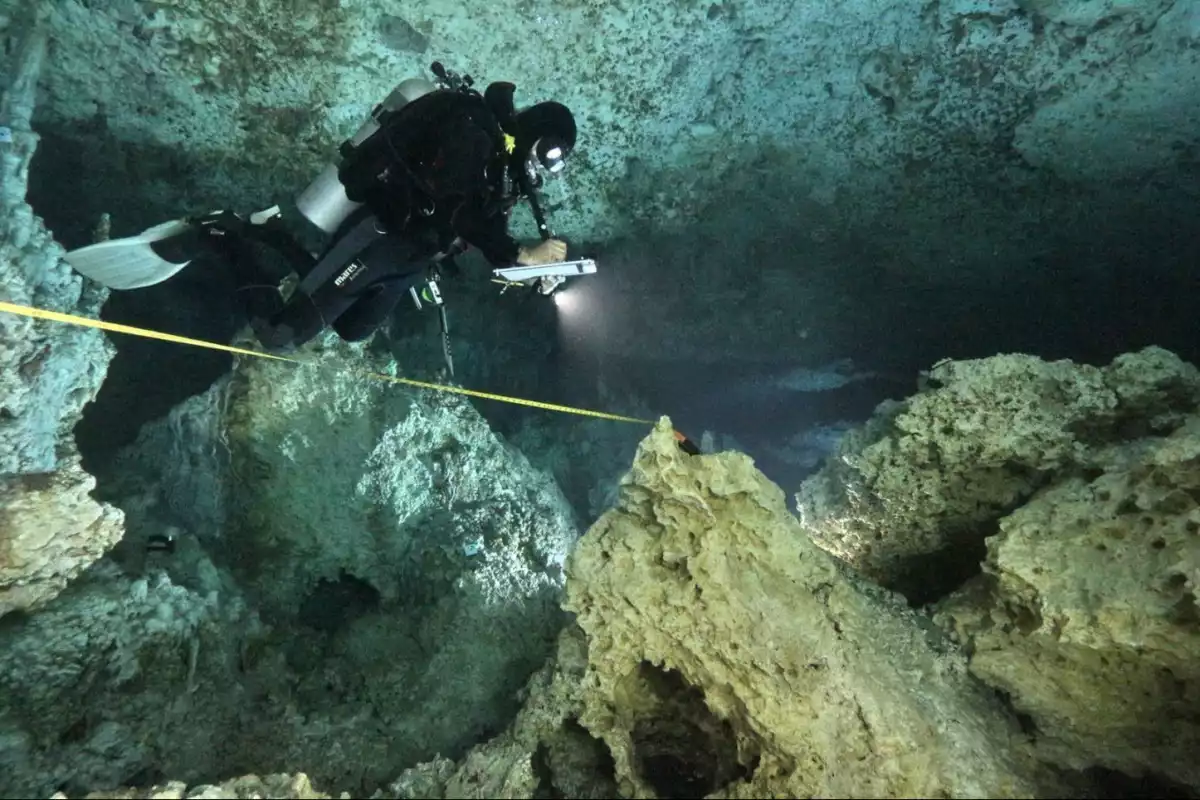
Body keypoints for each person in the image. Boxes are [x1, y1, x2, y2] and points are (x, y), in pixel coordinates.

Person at [64, 63, 578, 351]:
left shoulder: (497, 171)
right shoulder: (472, 129)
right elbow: (454, 208)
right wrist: (519, 252)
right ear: (534, 135)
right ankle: (226, 235)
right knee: (279, 335)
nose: (542, 169)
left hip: (409, 260)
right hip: (381, 238)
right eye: (548, 155)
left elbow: (480, 231)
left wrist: (528, 270)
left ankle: (272, 232)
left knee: (352, 330)